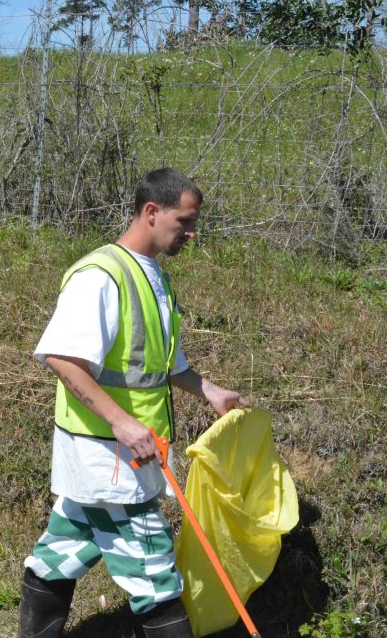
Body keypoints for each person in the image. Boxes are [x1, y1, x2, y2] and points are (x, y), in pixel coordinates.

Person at [19, 168, 249, 638]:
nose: (190, 233)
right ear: (151, 212)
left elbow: (162, 364)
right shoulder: (100, 276)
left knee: (60, 553)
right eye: (183, 222)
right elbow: (62, 357)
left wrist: (210, 391)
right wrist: (123, 423)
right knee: (155, 576)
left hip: (133, 454)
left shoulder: (154, 278)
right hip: (108, 455)